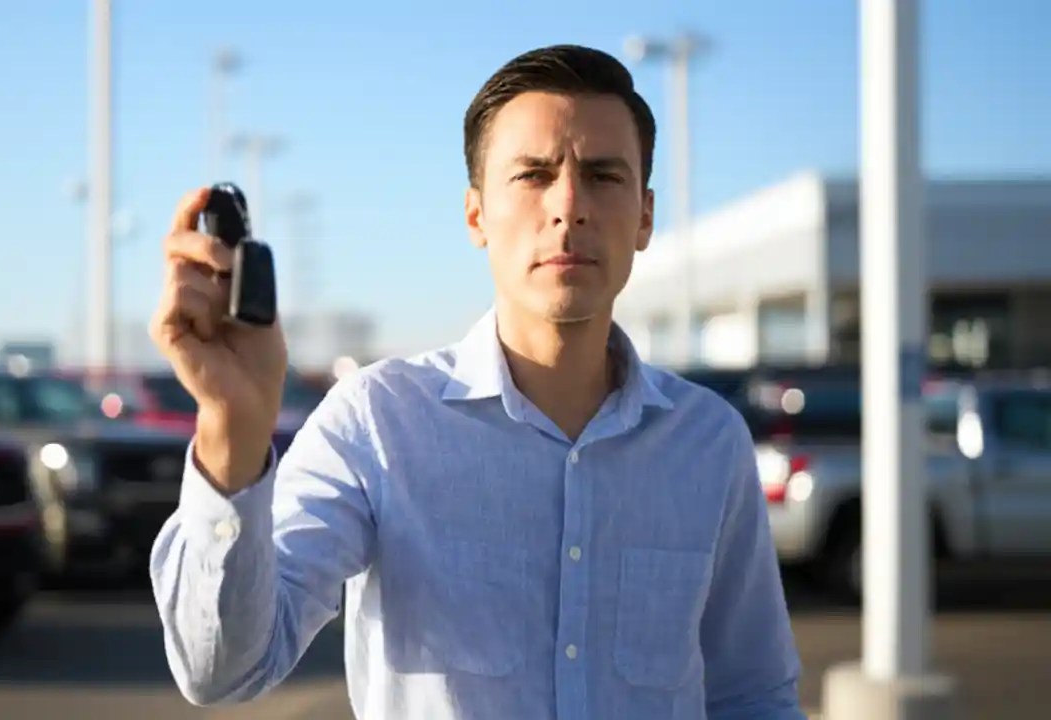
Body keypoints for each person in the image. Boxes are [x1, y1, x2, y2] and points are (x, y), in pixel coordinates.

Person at [149, 43, 805, 719]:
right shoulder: (378, 423)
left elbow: (752, 694)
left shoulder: (707, 442)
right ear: (475, 216)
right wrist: (233, 427)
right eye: (533, 175)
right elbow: (222, 670)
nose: (569, 205)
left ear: (644, 216)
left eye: (604, 175)